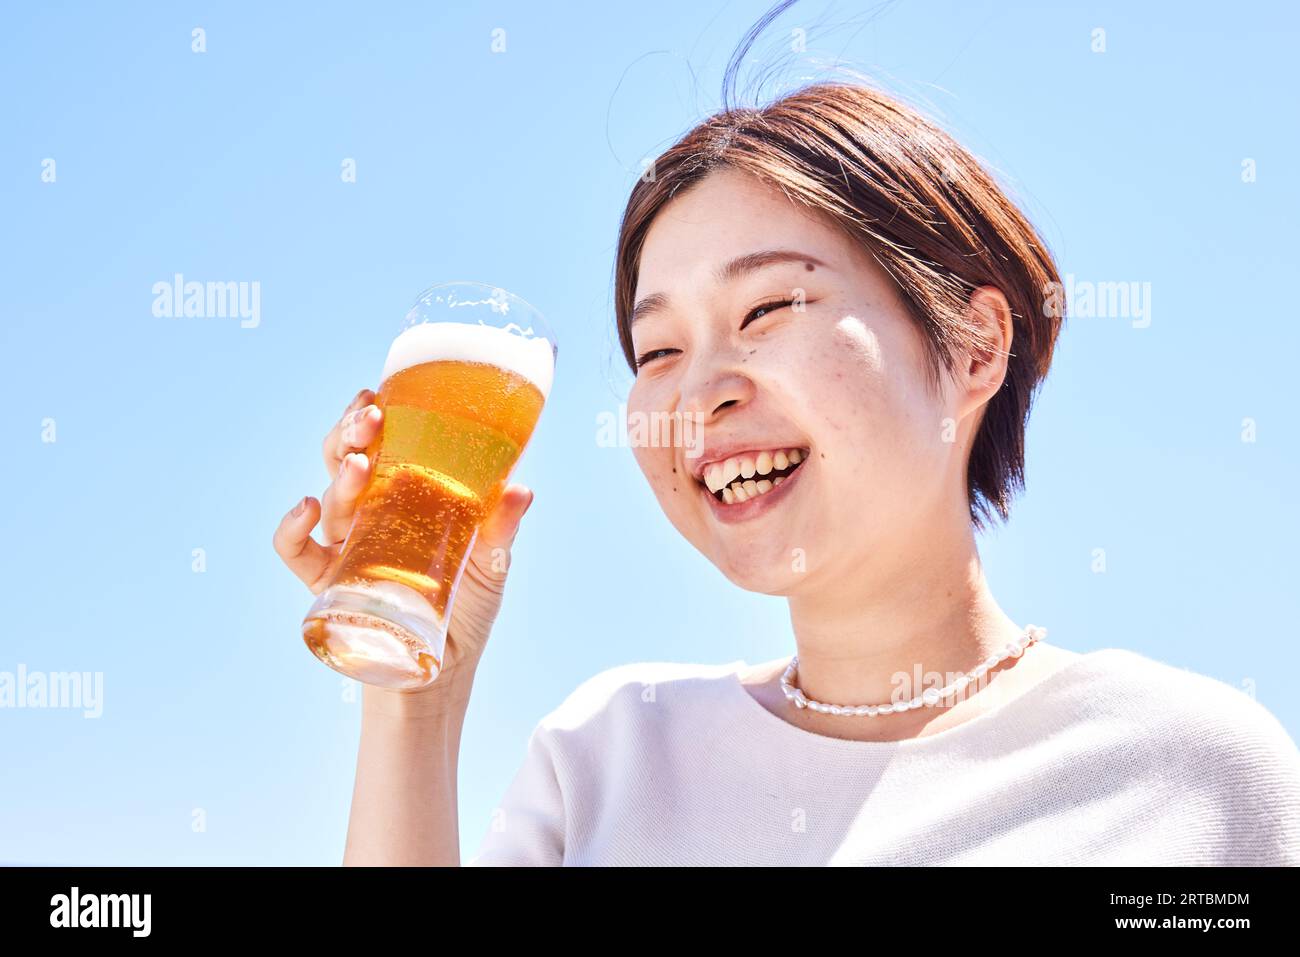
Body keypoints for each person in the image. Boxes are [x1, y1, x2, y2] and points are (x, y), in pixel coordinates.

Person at [272, 80, 1300, 866]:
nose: (699, 393)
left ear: (976, 346)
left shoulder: (1189, 772)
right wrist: (417, 695)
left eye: (767, 311)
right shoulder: (607, 755)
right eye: (657, 352)